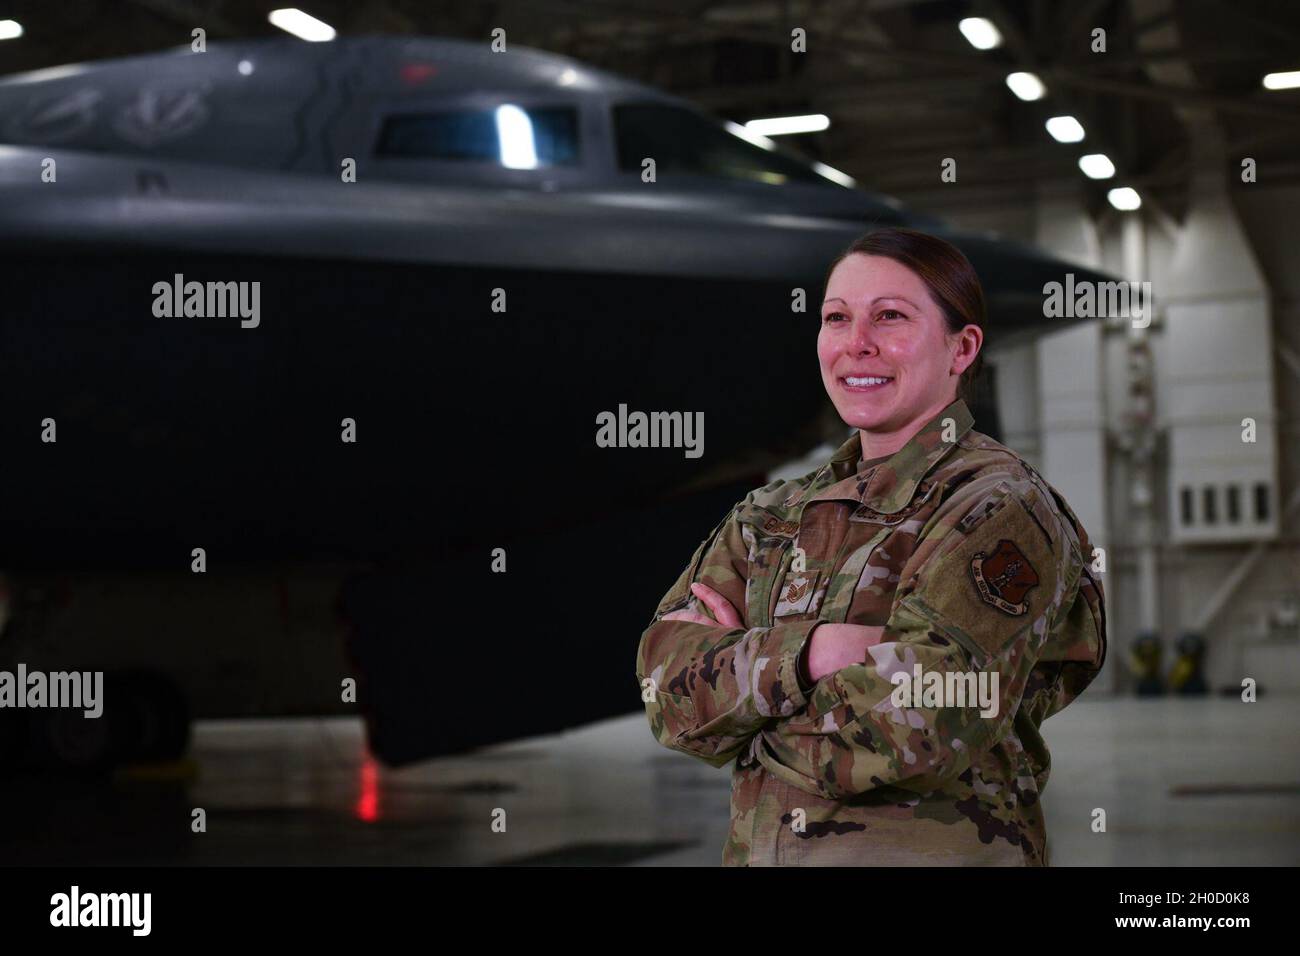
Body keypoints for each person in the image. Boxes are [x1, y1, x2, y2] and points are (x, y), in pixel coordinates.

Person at [635, 227, 1107, 866]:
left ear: (961, 347)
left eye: (890, 317)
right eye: (837, 318)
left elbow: (913, 730)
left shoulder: (997, 508)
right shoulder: (773, 513)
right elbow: (665, 692)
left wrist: (742, 711)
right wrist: (813, 656)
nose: (857, 344)